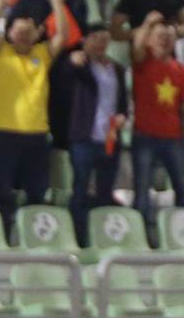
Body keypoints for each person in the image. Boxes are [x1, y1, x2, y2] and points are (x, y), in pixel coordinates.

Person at [0, 0, 71, 227]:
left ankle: (34, 237)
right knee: (2, 191)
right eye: (18, 31)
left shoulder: (42, 54)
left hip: (37, 134)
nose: (23, 35)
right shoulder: (2, 52)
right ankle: (1, 237)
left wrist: (55, 0)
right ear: (10, 32)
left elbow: (63, 35)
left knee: (37, 192)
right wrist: (0, 0)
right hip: (6, 133)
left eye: (28, 31)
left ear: (37, 33)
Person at [51, 22, 127, 244]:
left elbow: (121, 102)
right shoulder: (78, 65)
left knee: (105, 191)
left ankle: (102, 236)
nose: (100, 44)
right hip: (84, 137)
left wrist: (123, 116)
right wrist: (70, 62)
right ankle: (78, 237)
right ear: (85, 41)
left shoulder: (117, 69)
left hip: (110, 138)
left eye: (104, 39)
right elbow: (59, 78)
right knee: (80, 189)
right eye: (96, 38)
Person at [129, 12, 184, 238]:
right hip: (145, 136)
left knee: (183, 188)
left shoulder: (180, 70)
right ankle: (141, 236)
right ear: (149, 39)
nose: (163, 41)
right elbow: (137, 48)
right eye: (158, 36)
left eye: (168, 37)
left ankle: (181, 234)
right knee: (142, 191)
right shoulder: (142, 62)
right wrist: (147, 23)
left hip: (174, 137)